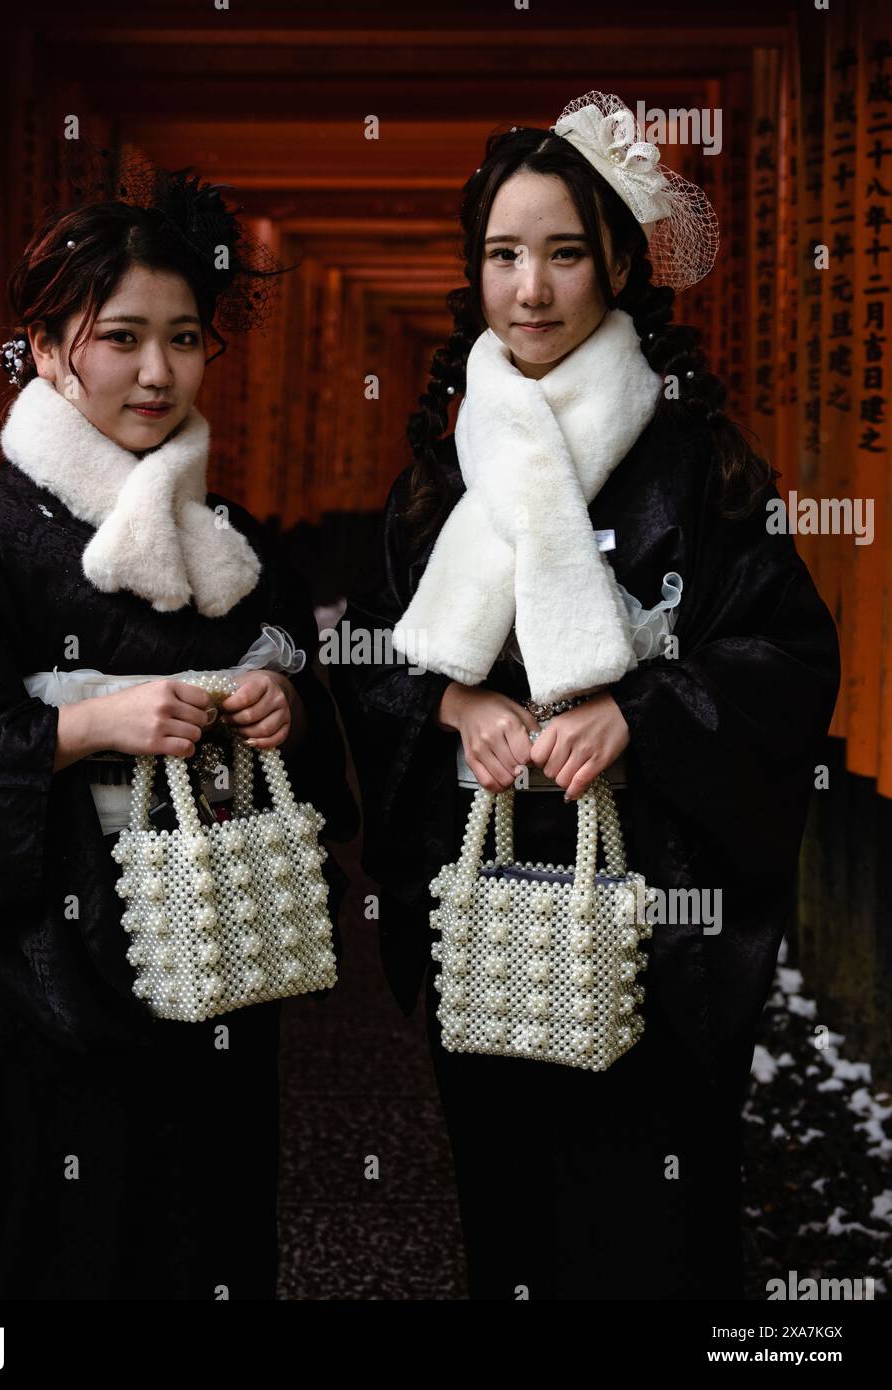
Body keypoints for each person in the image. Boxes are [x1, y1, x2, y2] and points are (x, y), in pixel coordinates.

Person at [330, 93, 841, 1301]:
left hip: (656, 908)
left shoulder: (699, 463)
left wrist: (642, 711)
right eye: (503, 255)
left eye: (565, 253)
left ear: (617, 259)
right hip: (491, 892)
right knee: (511, 1214)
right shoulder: (438, 469)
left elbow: (789, 657)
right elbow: (364, 658)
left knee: (653, 1227)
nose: (531, 289)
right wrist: (453, 708)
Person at [0, 153, 357, 1300]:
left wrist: (285, 706)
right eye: (120, 335)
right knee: (81, 1245)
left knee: (219, 1236)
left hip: (227, 956)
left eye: (183, 337)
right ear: (45, 348)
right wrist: (82, 730)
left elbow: (320, 752)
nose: (154, 370)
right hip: (59, 985)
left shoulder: (234, 541)